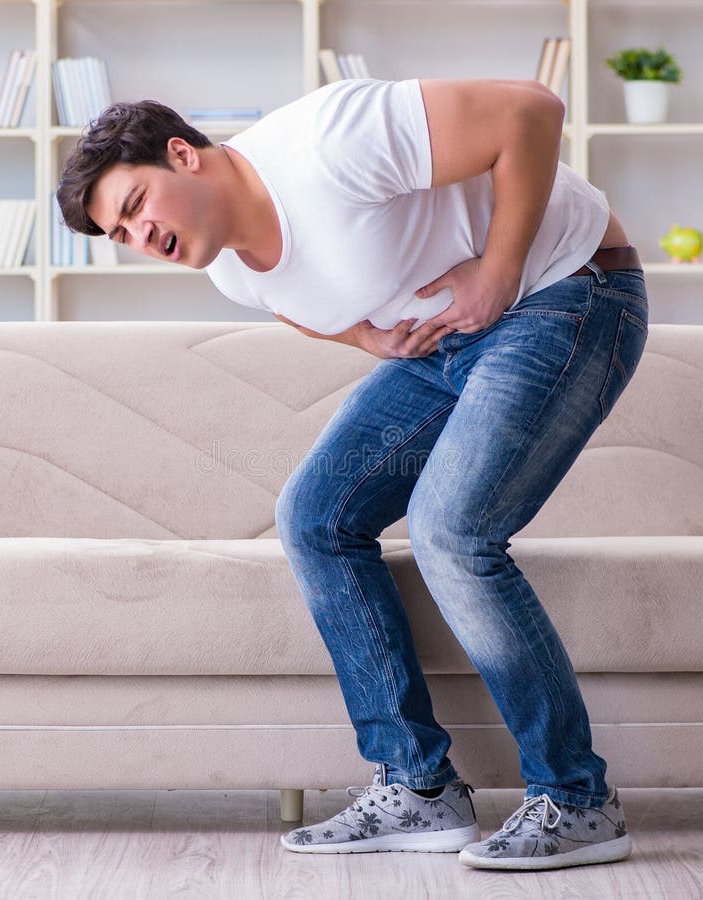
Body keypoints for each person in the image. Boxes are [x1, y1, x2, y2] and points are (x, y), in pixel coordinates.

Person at [57, 76, 648, 870]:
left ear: (181, 156)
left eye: (134, 206)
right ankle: (417, 788)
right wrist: (367, 340)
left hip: (566, 288)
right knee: (313, 517)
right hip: (450, 339)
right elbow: (300, 297)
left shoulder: (330, 141)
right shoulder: (231, 269)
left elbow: (529, 110)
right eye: (119, 235)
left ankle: (577, 800)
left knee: (451, 531)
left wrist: (498, 272)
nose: (138, 235)